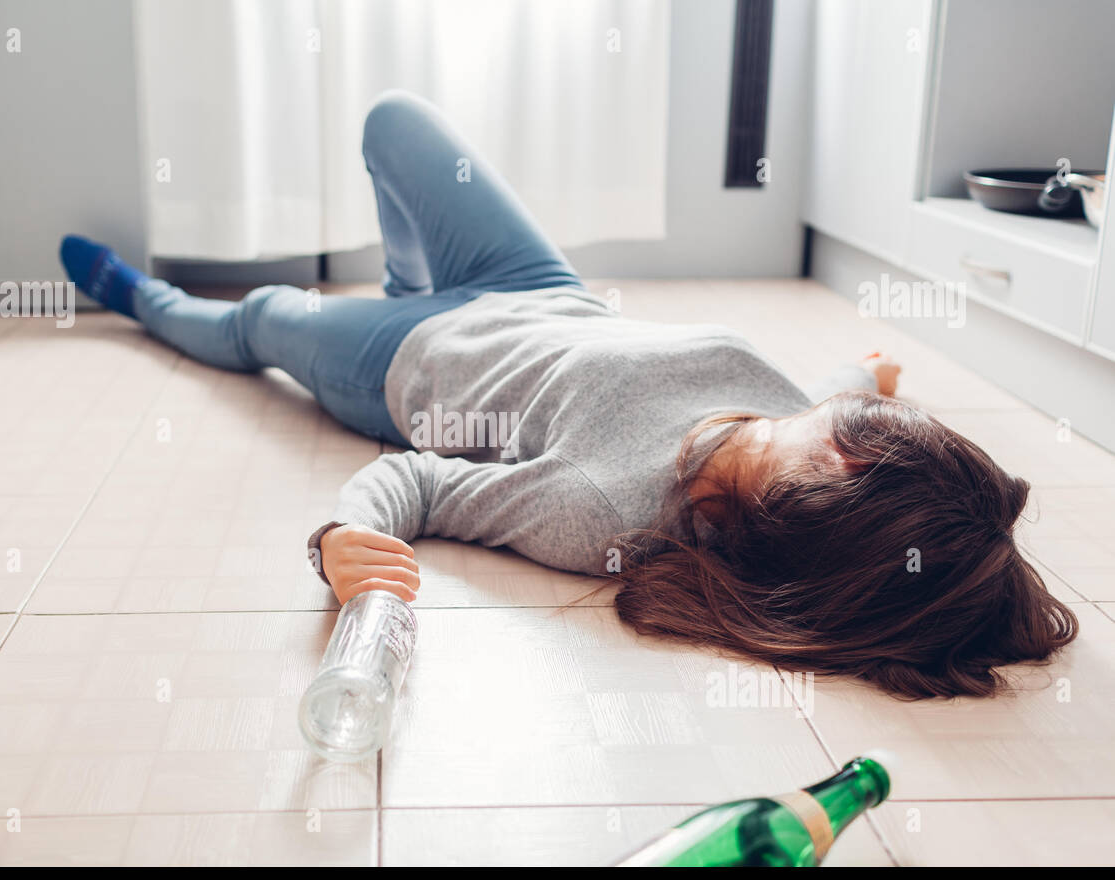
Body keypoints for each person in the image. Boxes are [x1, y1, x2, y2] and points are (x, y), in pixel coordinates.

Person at [60, 90, 1076, 699]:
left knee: (261, 316)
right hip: (536, 290)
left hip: (403, 360)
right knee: (392, 123)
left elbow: (420, 482)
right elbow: (822, 391)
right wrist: (863, 375)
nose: (862, 416)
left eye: (863, 430)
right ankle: (409, 277)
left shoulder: (595, 506)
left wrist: (339, 535)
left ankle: (140, 296)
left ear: (822, 481)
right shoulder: (787, 422)